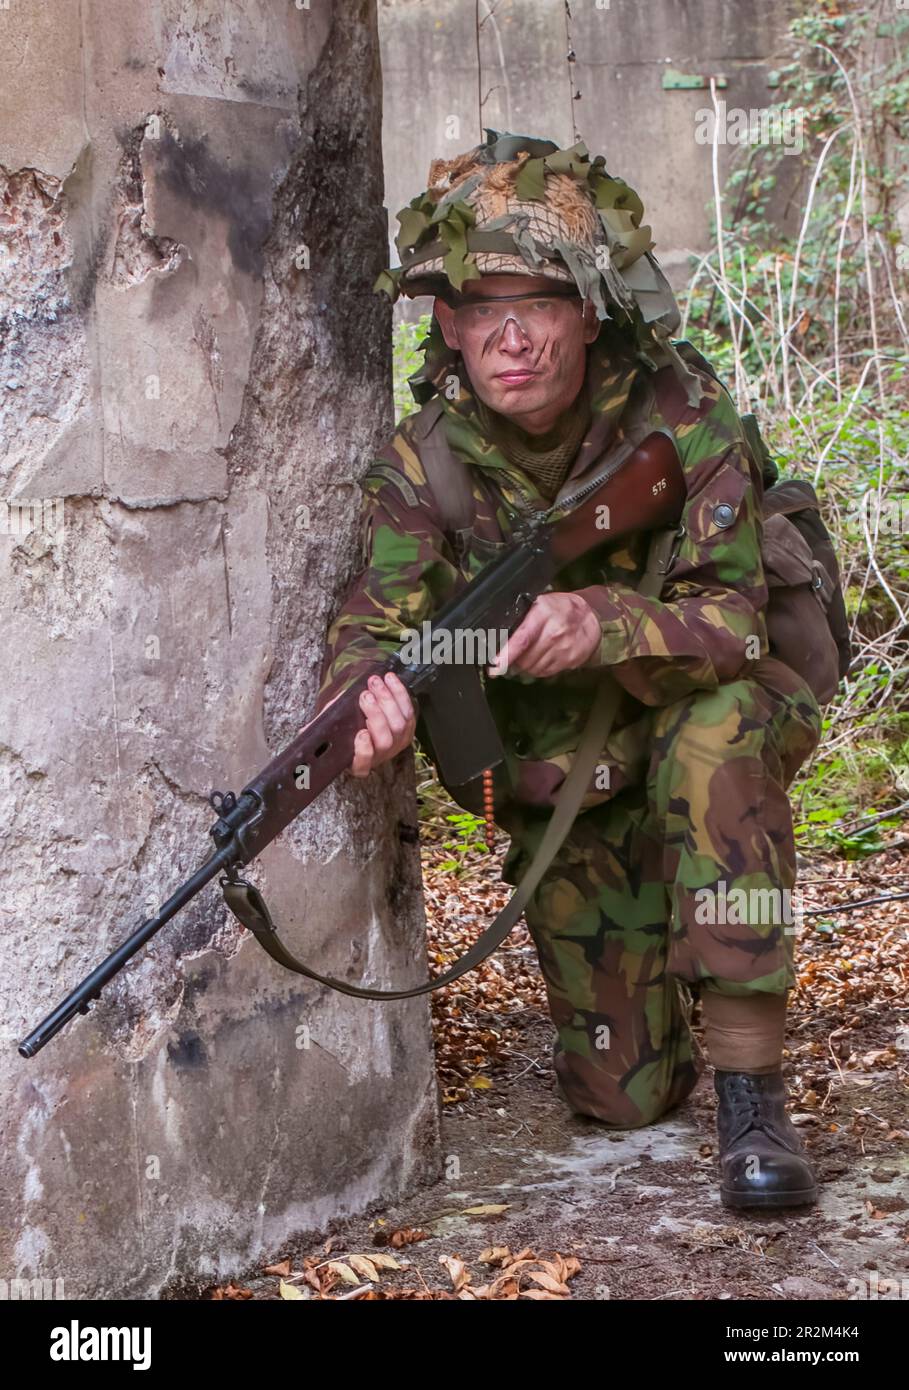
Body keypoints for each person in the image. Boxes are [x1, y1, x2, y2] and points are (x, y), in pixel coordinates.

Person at [316, 130, 823, 1209]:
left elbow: (735, 624)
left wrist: (603, 622)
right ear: (446, 326)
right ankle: (670, 947)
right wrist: (360, 699)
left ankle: (753, 1093)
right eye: (480, 307)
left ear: (588, 310)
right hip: (576, 782)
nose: (511, 336)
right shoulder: (428, 464)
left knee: (717, 729)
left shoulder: (680, 418)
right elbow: (379, 622)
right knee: (623, 1096)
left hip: (711, 711)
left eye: (538, 303)